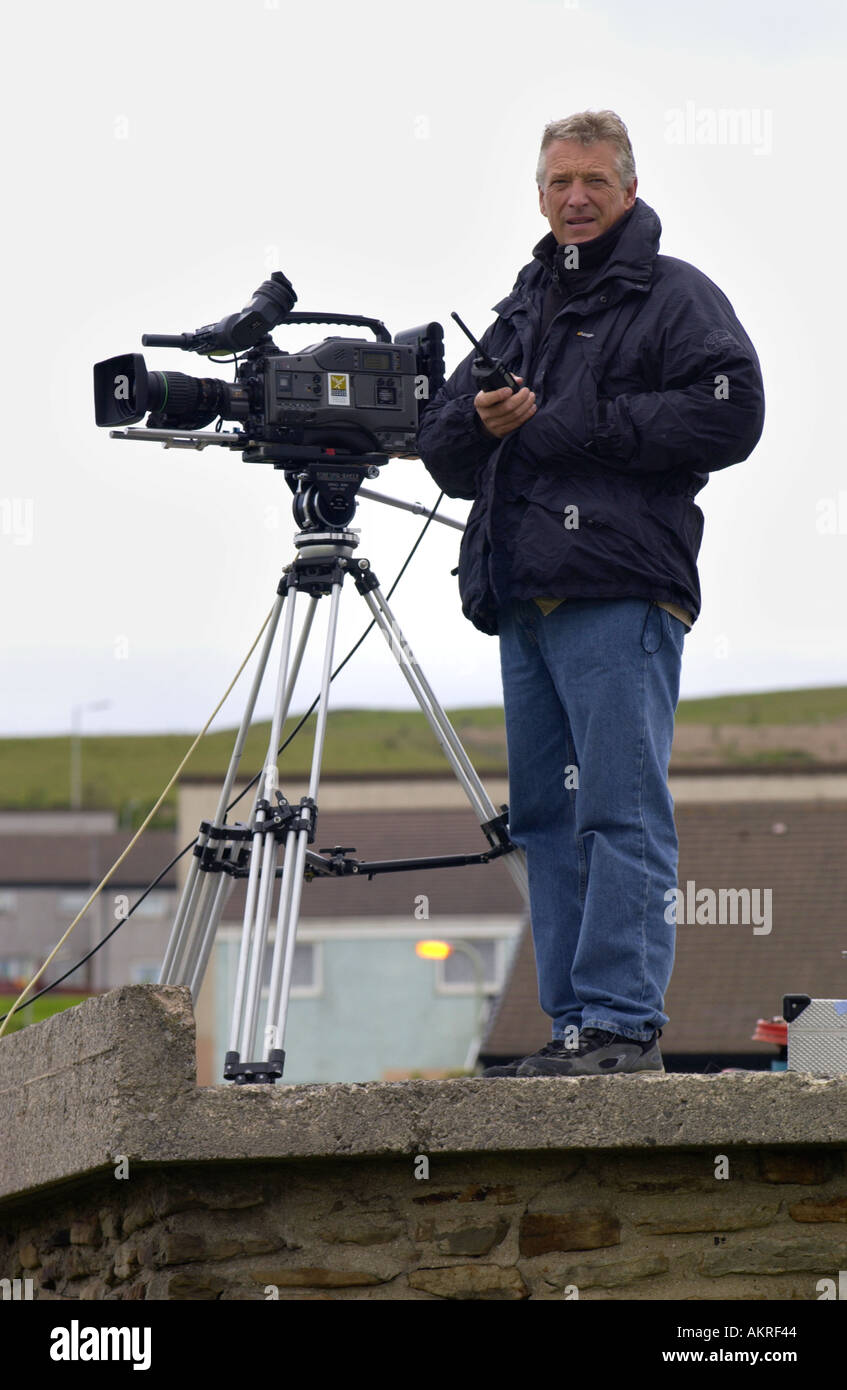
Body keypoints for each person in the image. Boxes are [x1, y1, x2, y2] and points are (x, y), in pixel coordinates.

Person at [416, 110, 765, 1077]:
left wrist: (578, 421)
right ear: (538, 194)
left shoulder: (675, 294)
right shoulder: (520, 307)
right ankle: (573, 1029)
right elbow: (441, 448)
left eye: (595, 183)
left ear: (628, 192)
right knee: (544, 821)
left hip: (620, 595)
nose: (575, 198)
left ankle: (620, 1026)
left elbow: (734, 412)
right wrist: (484, 423)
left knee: (619, 811)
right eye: (560, 182)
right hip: (523, 602)